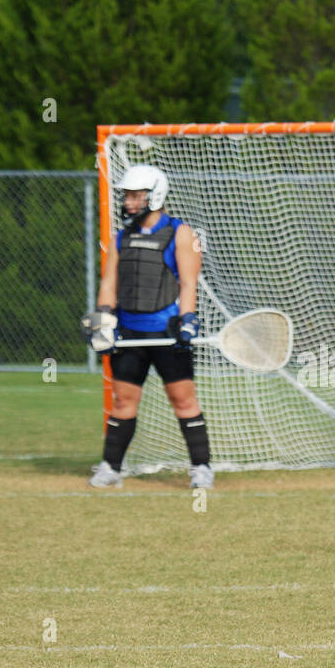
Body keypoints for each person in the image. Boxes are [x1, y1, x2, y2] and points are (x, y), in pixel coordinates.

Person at [82, 165, 213, 490]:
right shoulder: (121, 236)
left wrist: (188, 319)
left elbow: (188, 283)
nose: (128, 201)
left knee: (183, 400)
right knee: (123, 401)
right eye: (126, 195)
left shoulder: (181, 233)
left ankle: (201, 468)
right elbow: (110, 282)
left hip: (167, 333)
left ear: (154, 195)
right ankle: (111, 467)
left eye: (135, 195)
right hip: (130, 333)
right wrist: (103, 321)